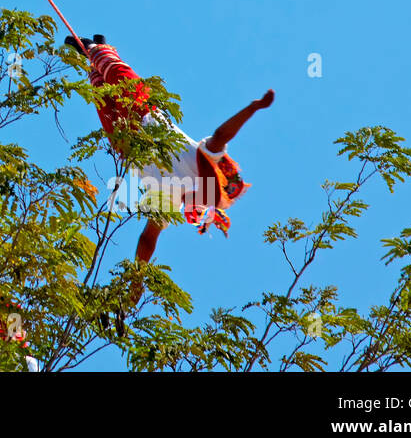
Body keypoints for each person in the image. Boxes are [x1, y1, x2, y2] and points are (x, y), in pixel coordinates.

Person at [64, 34, 273, 265]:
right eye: (205, 207)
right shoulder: (200, 161)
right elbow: (221, 136)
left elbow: (147, 240)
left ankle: (90, 56)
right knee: (116, 72)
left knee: (100, 91)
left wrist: (138, 277)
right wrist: (254, 108)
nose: (199, 210)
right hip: (144, 112)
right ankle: (96, 47)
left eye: (199, 216)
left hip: (126, 142)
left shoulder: (169, 203)